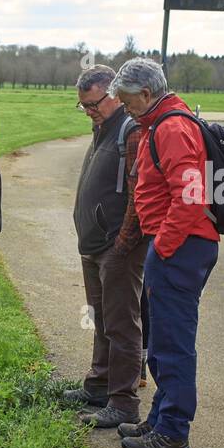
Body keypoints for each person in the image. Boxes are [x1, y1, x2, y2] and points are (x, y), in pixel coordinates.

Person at [109, 57, 219, 448]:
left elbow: (190, 197)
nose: (125, 107)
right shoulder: (163, 122)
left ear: (146, 93)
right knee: (160, 341)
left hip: (180, 246)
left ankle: (173, 431)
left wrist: (163, 247)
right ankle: (160, 418)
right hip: (177, 244)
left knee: (173, 343)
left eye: (127, 100)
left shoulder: (172, 127)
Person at [63, 64, 148, 429]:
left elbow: (139, 195)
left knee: (121, 325)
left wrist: (122, 244)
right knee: (101, 321)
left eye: (94, 104)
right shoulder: (103, 129)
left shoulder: (129, 131)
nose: (89, 111)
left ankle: (123, 402)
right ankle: (99, 385)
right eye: (83, 106)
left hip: (116, 248)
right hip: (94, 244)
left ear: (114, 95)